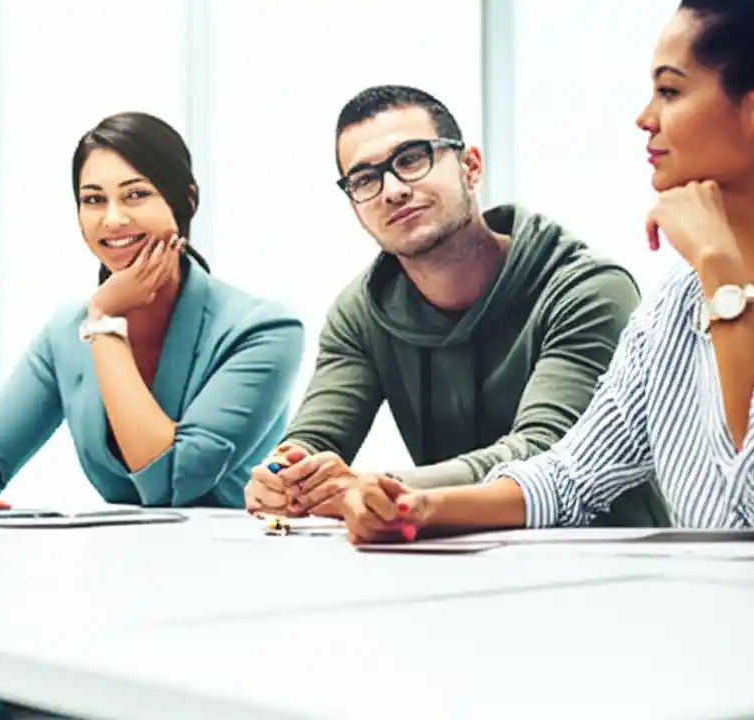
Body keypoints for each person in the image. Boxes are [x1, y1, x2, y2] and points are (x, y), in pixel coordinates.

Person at [338, 0, 754, 544]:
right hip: (713, 629)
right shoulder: (676, 306)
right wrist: (422, 509)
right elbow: (573, 473)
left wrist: (724, 275)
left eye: (670, 90)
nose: (644, 118)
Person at [0, 112, 304, 719]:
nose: (113, 220)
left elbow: (171, 480)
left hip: (230, 606)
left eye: (137, 195)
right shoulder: (66, 329)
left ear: (185, 200)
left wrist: (105, 324)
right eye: (93, 199)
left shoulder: (263, 328)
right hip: (119, 594)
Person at [243, 85, 666, 528]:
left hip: (609, 564)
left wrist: (378, 488)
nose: (392, 190)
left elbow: (543, 451)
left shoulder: (587, 289)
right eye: (365, 180)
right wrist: (285, 476)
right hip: (456, 565)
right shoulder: (361, 311)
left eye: (410, 159)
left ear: (471, 166)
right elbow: (314, 438)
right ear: (354, 207)